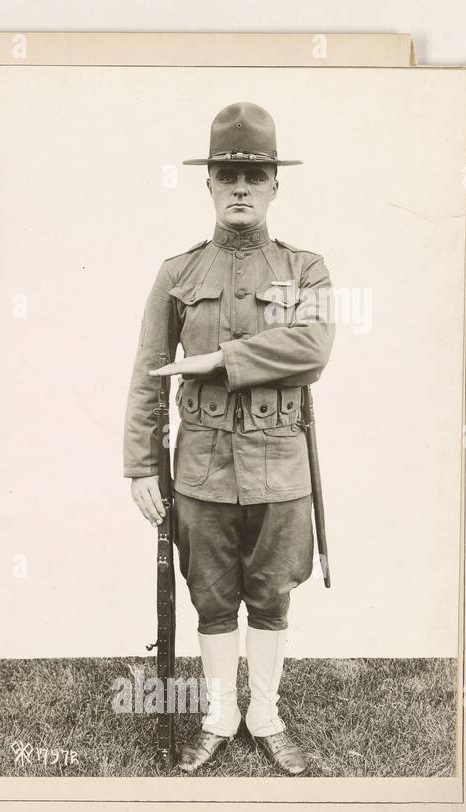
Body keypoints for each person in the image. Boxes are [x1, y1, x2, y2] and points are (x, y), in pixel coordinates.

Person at [122, 102, 334, 775]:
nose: (241, 186)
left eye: (256, 173)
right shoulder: (177, 273)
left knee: (271, 592)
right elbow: (147, 374)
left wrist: (218, 361)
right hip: (202, 469)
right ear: (208, 184)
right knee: (210, 595)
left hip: (281, 468)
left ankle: (264, 715)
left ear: (276, 185)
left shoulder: (307, 269)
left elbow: (314, 349)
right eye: (227, 174)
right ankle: (219, 715)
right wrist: (139, 466)